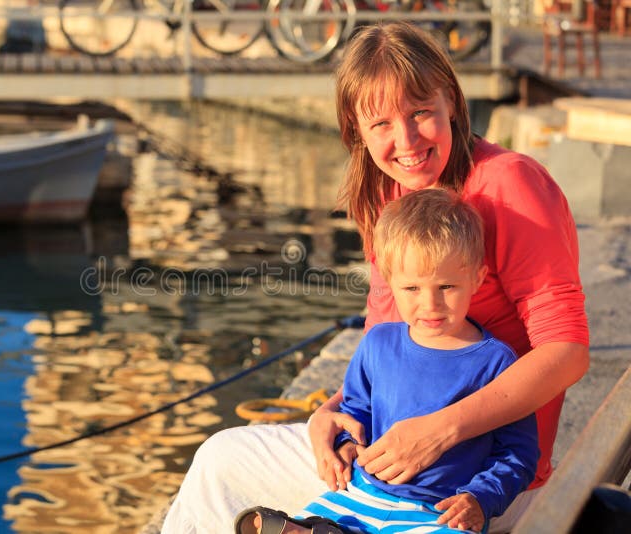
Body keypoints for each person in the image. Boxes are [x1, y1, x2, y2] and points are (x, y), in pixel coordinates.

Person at [161, 21, 589, 534]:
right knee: (219, 458)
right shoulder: (390, 198)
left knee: (223, 475)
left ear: (451, 100)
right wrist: (331, 413)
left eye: (420, 113)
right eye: (380, 123)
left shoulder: (509, 185)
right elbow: (384, 349)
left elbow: (566, 353)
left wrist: (439, 431)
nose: (405, 140)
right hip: (384, 468)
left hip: (475, 485)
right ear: (355, 130)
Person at [235, 189, 539, 534]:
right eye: (412, 289)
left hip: (439, 511)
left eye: (447, 286)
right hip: (363, 492)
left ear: (477, 279)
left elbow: (518, 453)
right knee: (325, 516)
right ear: (390, 282)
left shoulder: (497, 361)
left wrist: (481, 498)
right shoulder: (378, 343)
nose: (430, 304)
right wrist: (346, 445)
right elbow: (356, 411)